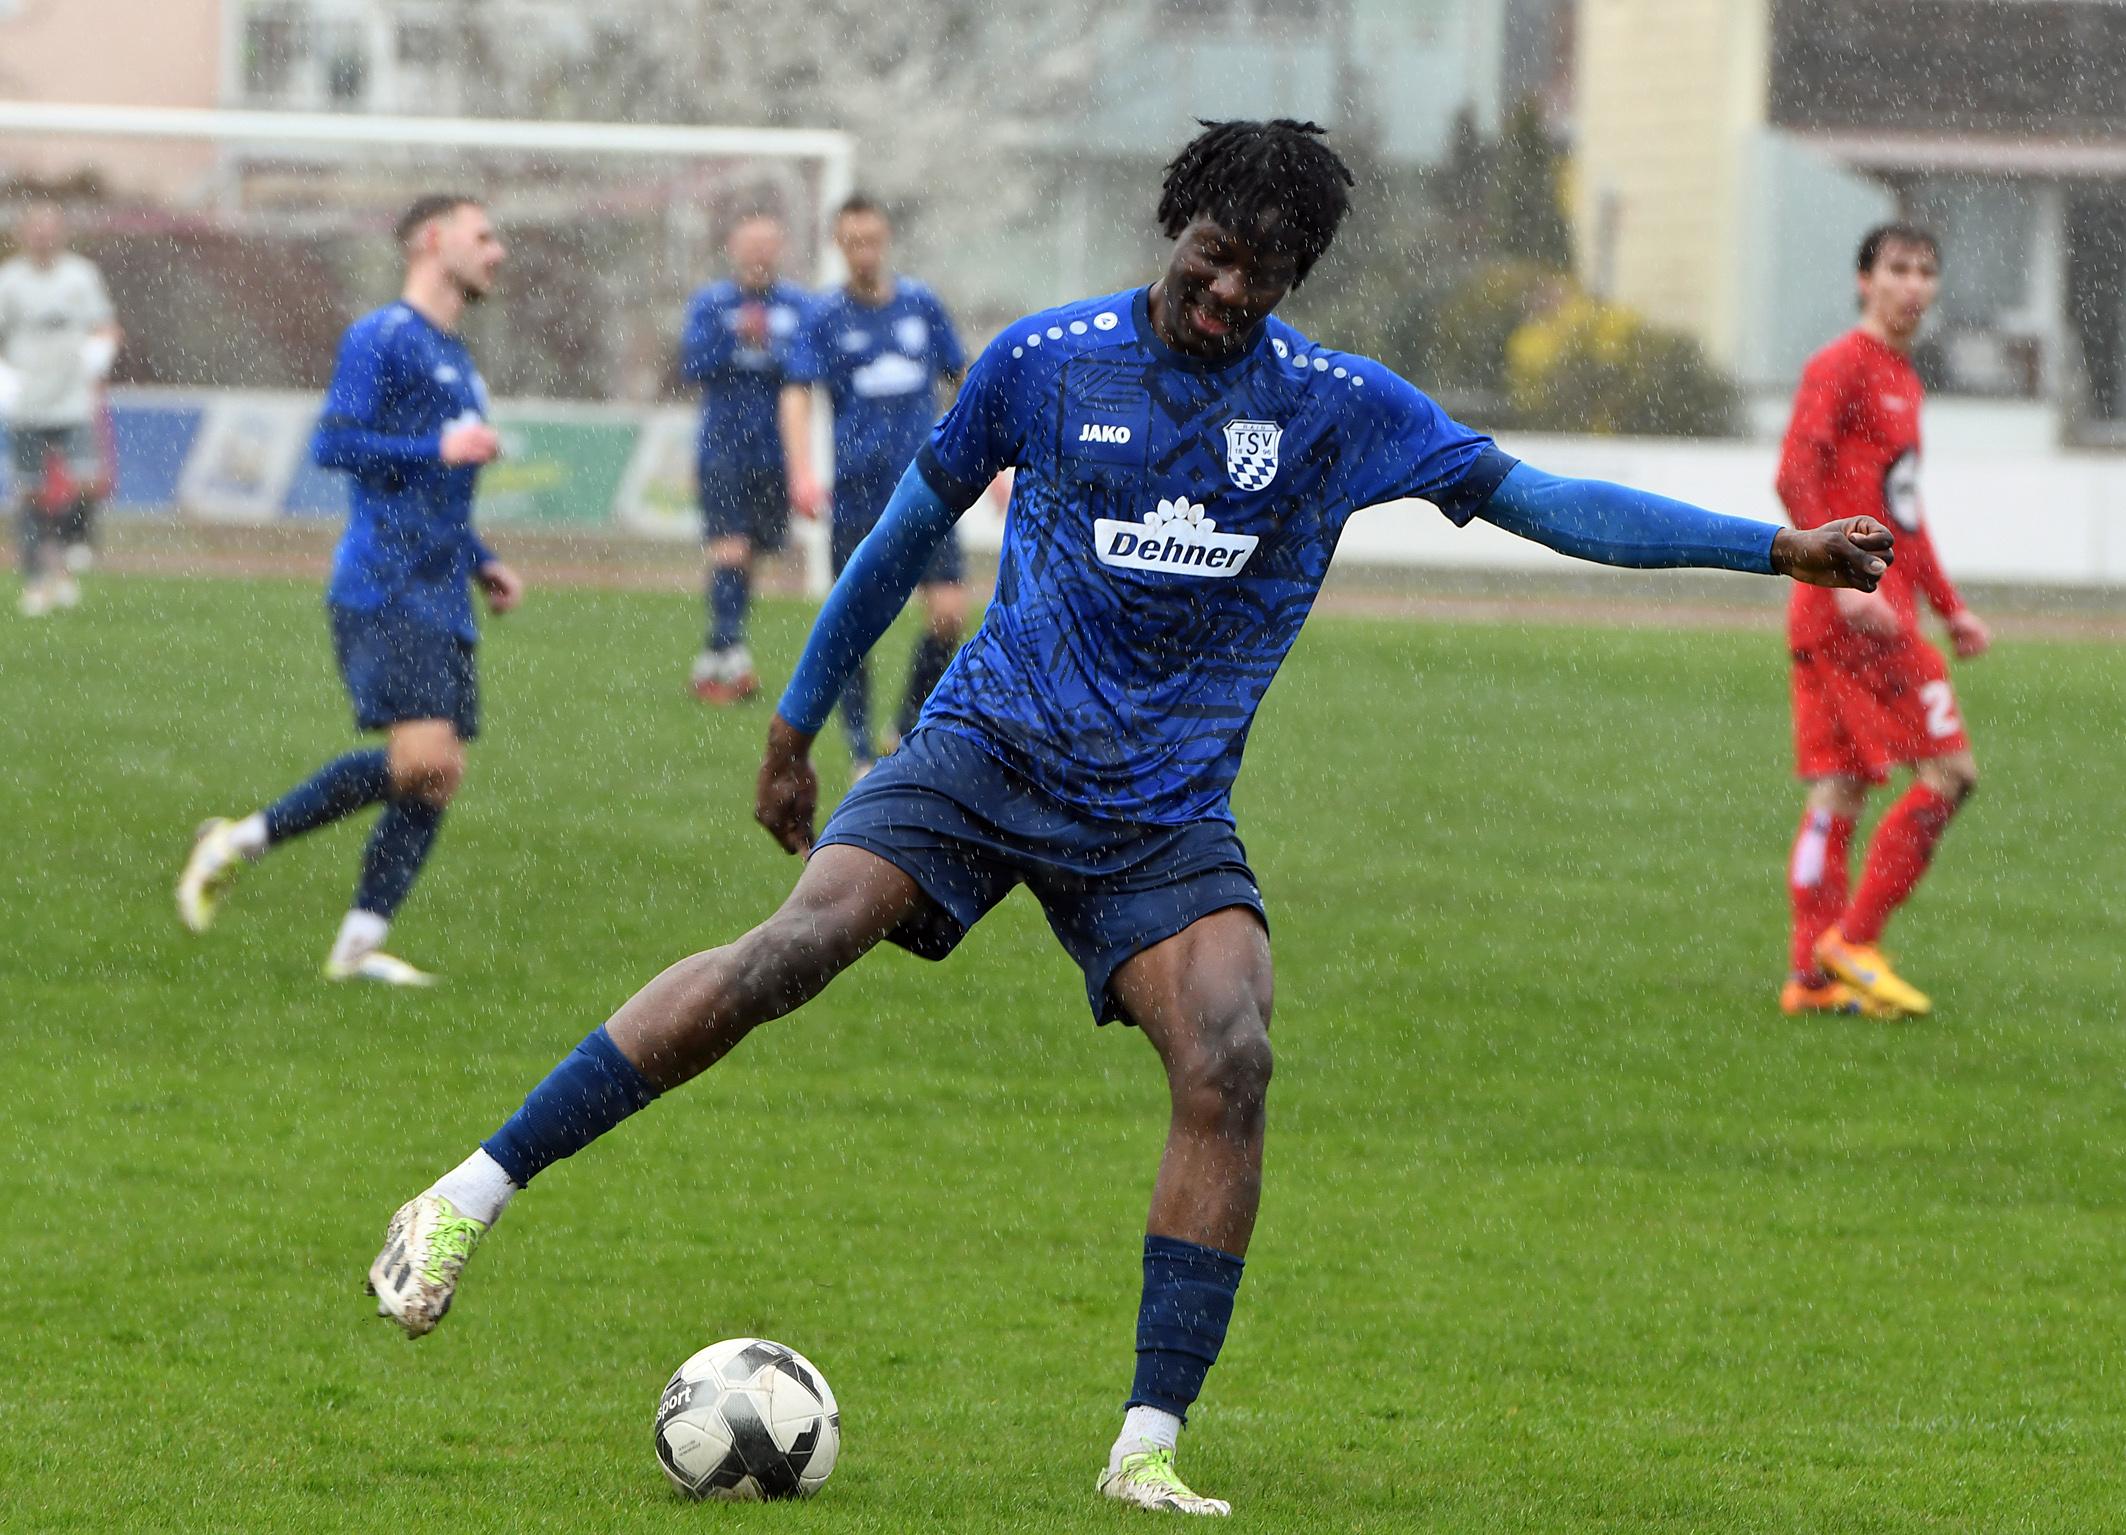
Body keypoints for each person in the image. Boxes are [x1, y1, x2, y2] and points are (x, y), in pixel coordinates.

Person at [364, 122, 1893, 1515]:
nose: (1228, 293)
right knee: (793, 948)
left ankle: (1146, 1441)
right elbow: (902, 537)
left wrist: (1777, 551)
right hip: (985, 747)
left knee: (1229, 1049)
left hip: (1157, 812)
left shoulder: (1336, 408)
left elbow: (1547, 501)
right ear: (1171, 233)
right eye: (1211, 256)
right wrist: (790, 719)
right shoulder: (1048, 362)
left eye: (1264, 273)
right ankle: (460, 1194)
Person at [175, 194, 523, 986]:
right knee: (420, 757)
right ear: (432, 242)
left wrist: (482, 558)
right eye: (483, 235)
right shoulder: (381, 337)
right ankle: (236, 841)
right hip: (385, 582)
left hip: (440, 587)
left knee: (437, 771)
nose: (497, 251)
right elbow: (336, 441)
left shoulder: (458, 359)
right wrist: (437, 442)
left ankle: (358, 947)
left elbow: (433, 488)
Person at [1776, 223, 1988, 1021]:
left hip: (1847, 612)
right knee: (1951, 771)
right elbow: (1794, 473)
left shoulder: (1901, 378)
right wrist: (1839, 584)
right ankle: (1853, 942)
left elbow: (1907, 516)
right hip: (1859, 616)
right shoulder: (1840, 366)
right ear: (1863, 281)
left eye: (1927, 272)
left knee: (1839, 789)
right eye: (1898, 269)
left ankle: (1810, 976)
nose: (1914, 286)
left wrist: (1953, 608)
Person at [780, 195, 968, 774]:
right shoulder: (825, 316)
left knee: (948, 614)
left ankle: (905, 725)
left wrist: (983, 459)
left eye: (872, 239)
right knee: (854, 622)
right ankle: (861, 750)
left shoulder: (920, 304)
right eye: (852, 241)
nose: (864, 251)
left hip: (928, 490)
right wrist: (802, 473)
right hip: (861, 495)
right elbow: (795, 393)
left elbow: (964, 379)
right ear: (839, 245)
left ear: (886, 239)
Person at [679, 210, 808, 703]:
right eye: (750, 243)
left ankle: (716, 652)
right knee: (728, 547)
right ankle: (731, 648)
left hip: (776, 452)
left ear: (780, 249)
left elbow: (808, 368)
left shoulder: (799, 307)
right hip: (723, 447)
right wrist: (735, 337)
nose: (758, 253)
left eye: (767, 243)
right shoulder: (711, 305)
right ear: (733, 247)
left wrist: (769, 345)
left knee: (750, 551)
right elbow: (693, 365)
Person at [0, 203, 121, 617]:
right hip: (29, 403)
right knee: (31, 493)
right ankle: (36, 580)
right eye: (35, 229)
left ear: (61, 232)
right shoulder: (9, 281)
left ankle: (70, 553)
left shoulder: (81, 276)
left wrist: (100, 354)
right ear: (23, 233)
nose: (43, 236)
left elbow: (105, 324)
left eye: (50, 228)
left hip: (72, 401)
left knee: (86, 481)